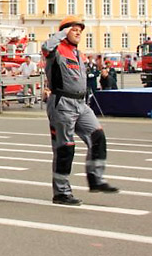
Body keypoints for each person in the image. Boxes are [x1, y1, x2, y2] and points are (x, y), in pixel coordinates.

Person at [43, 16, 118, 206]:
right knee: (65, 148)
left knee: (98, 137)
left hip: (81, 104)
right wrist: (61, 33)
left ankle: (96, 180)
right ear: (64, 31)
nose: (78, 33)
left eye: (80, 30)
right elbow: (45, 47)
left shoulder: (78, 53)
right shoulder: (56, 49)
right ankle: (61, 192)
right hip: (62, 103)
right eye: (74, 29)